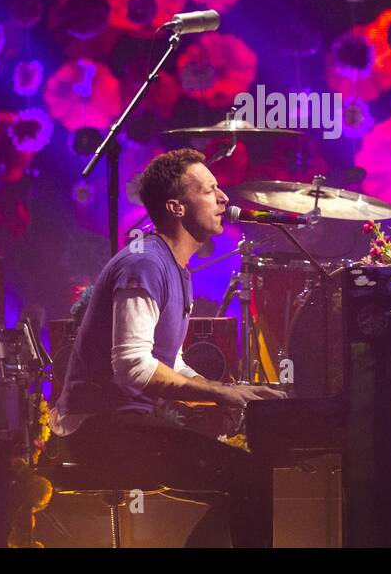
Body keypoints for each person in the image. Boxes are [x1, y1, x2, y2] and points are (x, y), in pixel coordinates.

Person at [53, 148, 286, 547]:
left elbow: (168, 359)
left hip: (129, 427)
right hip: (101, 433)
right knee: (245, 476)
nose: (224, 198)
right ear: (176, 206)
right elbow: (133, 368)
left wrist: (224, 397)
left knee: (247, 474)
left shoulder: (173, 267)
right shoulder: (144, 264)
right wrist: (219, 392)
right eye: (210, 190)